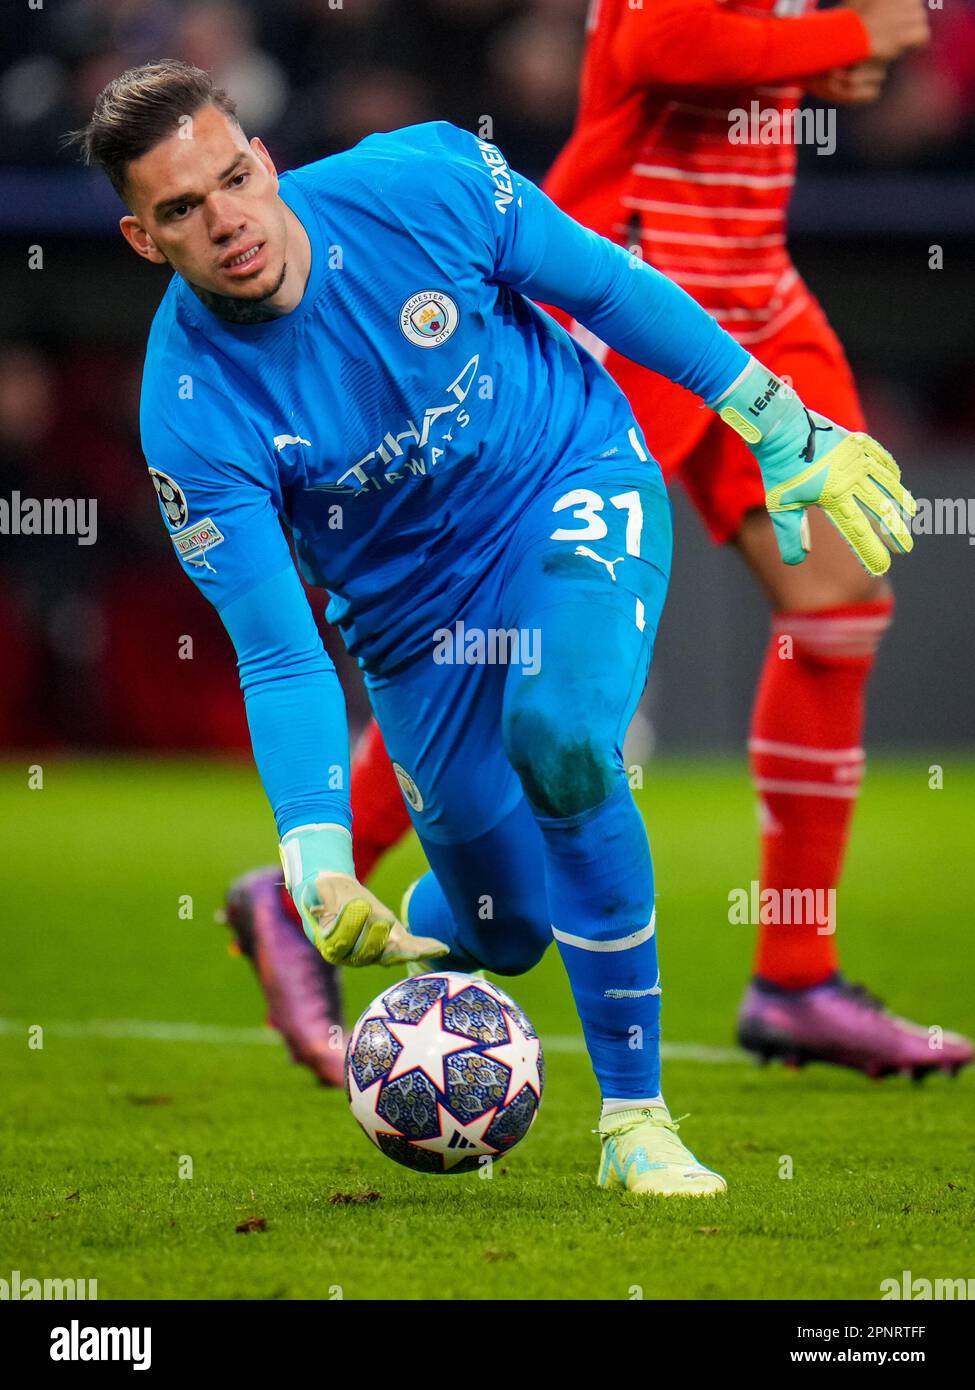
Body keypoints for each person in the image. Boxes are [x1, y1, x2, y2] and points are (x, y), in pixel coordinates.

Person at [71, 60, 916, 1193]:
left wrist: (772, 417)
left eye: (233, 178)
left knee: (563, 732)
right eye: (182, 208)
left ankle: (636, 1122)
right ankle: (338, 910)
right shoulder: (189, 414)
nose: (226, 221)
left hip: (567, 481)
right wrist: (317, 848)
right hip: (411, 628)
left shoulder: (424, 181)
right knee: (505, 925)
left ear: (264, 160)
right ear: (143, 239)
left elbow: (611, 288)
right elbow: (278, 651)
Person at [538, 0, 974, 1079]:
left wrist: (834, 59)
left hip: (750, 288)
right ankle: (308, 878)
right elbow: (659, 44)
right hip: (627, 278)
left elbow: (830, 46)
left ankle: (795, 978)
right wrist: (842, 41)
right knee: (509, 633)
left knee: (840, 606)